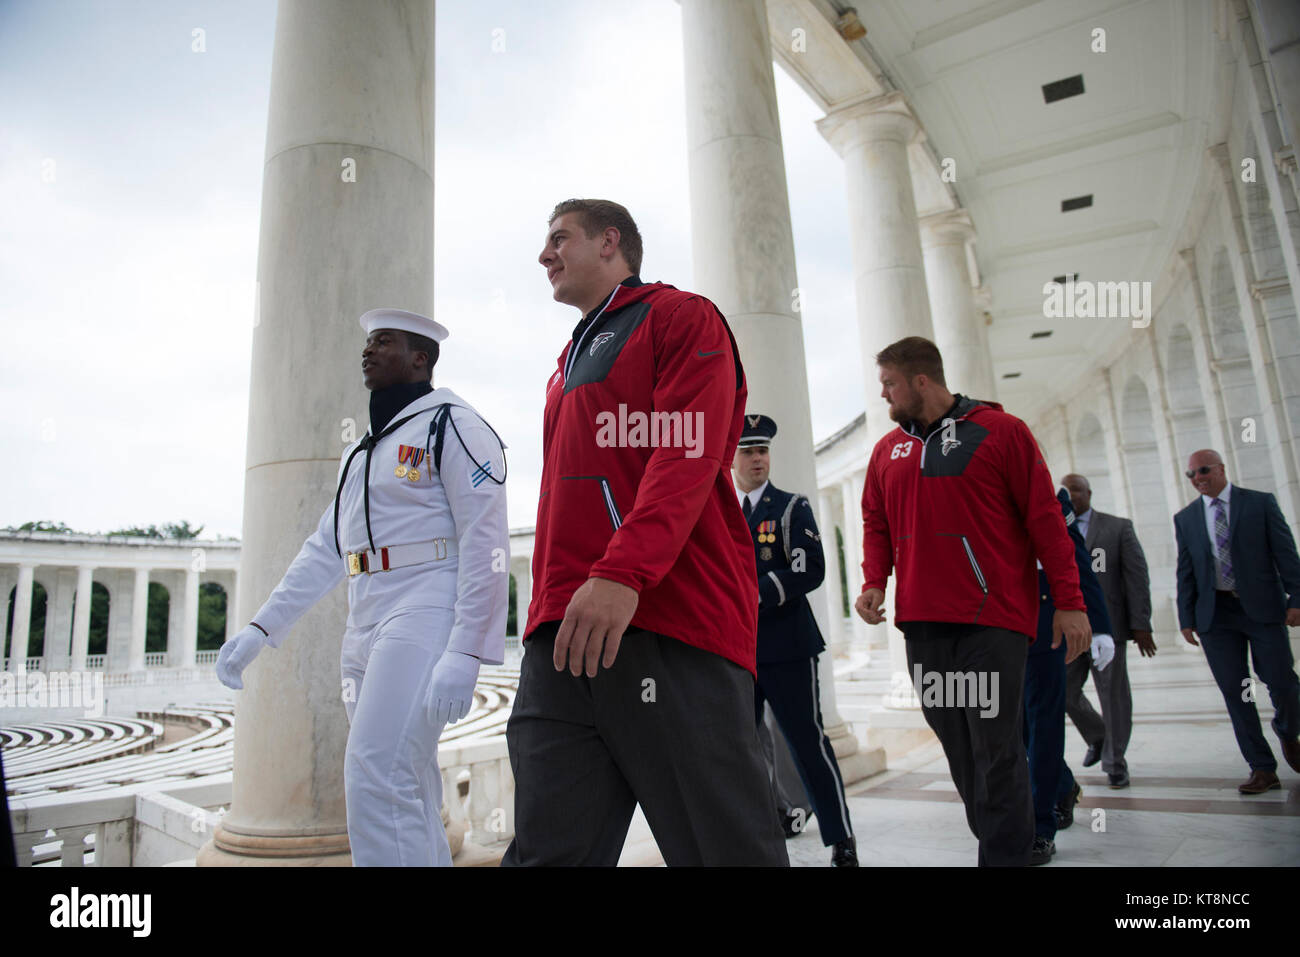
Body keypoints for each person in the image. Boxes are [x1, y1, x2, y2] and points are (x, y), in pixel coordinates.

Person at [502, 198, 788, 866]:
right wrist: (543, 614)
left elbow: (684, 454)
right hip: (561, 639)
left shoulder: (680, 316)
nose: (544, 254)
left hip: (668, 627)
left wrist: (621, 570)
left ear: (610, 242)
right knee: (545, 853)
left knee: (727, 850)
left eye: (558, 238)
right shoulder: (563, 365)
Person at [215, 309, 509, 865]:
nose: (368, 351)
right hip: (364, 614)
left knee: (374, 772)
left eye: (384, 342)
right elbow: (325, 548)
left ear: (419, 358)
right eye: (368, 342)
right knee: (406, 780)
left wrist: (468, 647)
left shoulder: (455, 426)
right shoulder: (361, 451)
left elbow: (485, 540)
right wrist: (261, 628)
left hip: (424, 607)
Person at [854, 336, 1091, 867]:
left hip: (992, 621)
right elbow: (875, 523)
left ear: (921, 381)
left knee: (995, 746)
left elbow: (1045, 523)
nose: (885, 398)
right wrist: (875, 581)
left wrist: (1072, 603)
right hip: (923, 625)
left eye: (890, 385)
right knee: (961, 749)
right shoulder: (886, 452)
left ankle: (1003, 856)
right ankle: (1011, 846)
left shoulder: (1001, 432)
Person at [733, 413, 857, 866]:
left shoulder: (790, 507)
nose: (757, 458)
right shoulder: (721, 515)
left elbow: (811, 569)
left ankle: (840, 838)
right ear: (732, 457)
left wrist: (754, 592)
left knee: (808, 741)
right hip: (737, 650)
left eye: (762, 450)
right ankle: (765, 830)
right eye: (748, 451)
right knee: (740, 749)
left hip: (788, 646)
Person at [1173, 449, 1300, 793]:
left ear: (1220, 469)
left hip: (1262, 609)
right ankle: (1261, 767)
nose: (1198, 478)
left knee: (1282, 681)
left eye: (1203, 470)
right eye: (1191, 475)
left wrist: (1296, 597)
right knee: (1237, 693)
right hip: (1217, 616)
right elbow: (1185, 571)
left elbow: (1286, 553)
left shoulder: (1259, 504)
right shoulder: (1185, 519)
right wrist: (1186, 617)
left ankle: (1289, 730)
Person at [1024, 487, 1115, 865]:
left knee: (1043, 722)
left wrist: (1101, 625)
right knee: (1016, 730)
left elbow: (1075, 558)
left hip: (1046, 625)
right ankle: (1062, 786)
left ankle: (1041, 827)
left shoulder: (1047, 494)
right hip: (994, 627)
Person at [1060, 473, 1154, 789]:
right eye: (1066, 488)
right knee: (1064, 692)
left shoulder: (1117, 528)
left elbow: (1136, 577)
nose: (1071, 494)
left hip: (1108, 627)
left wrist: (1140, 623)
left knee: (1112, 696)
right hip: (1070, 629)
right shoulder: (1055, 526)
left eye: (1076, 488)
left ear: (1089, 492)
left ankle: (1115, 763)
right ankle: (1098, 736)